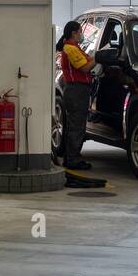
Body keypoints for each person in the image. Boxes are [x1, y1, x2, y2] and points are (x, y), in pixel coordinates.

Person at [57, 20, 93, 174]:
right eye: (80, 31)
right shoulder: (70, 49)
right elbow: (85, 67)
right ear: (73, 33)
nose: (81, 34)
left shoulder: (74, 47)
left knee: (75, 126)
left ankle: (72, 157)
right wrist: (98, 57)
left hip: (78, 90)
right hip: (76, 90)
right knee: (76, 126)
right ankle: (73, 160)